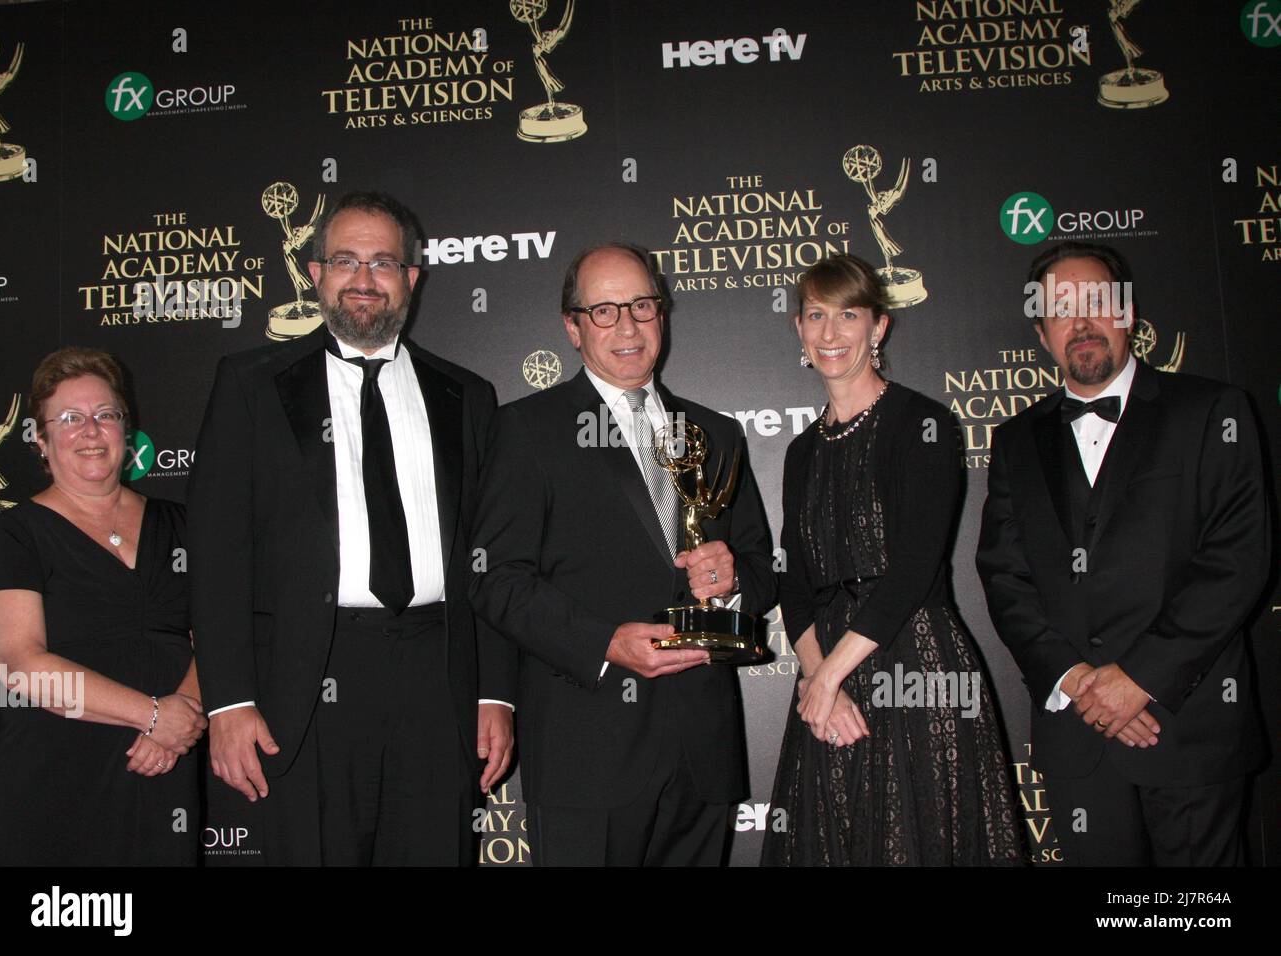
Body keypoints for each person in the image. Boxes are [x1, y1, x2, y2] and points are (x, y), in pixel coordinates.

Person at [188, 191, 516, 866]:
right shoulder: (251, 385)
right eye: (345, 261)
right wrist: (227, 702)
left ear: (412, 279)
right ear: (315, 274)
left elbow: (494, 559)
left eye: (383, 263)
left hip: (437, 678)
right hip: (304, 681)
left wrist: (494, 691)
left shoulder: (467, 397)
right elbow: (217, 555)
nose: (364, 279)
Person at [469, 243, 777, 866]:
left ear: (662, 313)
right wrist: (604, 641)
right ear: (572, 327)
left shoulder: (716, 432)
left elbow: (764, 571)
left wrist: (736, 576)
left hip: (703, 750)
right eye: (604, 311)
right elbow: (496, 580)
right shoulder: (527, 429)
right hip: (588, 751)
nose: (629, 326)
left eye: (641, 305)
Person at [977, 241, 1270, 866]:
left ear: (1128, 313)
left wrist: (1139, 681)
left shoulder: (1212, 412)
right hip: (1077, 736)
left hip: (1184, 723)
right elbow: (1005, 576)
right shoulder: (1015, 441)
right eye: (1060, 308)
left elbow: (1236, 559)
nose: (1080, 322)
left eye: (1096, 302)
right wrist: (1081, 683)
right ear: (1041, 332)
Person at [762, 254, 1022, 866]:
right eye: (816, 315)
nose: (830, 334)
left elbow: (914, 572)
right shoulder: (802, 452)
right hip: (827, 673)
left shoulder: (923, 424)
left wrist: (824, 681)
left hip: (917, 667)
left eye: (848, 314)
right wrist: (816, 676)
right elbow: (793, 581)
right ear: (798, 328)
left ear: (878, 327)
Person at [0, 347, 204, 865]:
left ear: (126, 432)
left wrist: (178, 724)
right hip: (53, 780)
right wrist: (151, 716)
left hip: (160, 775)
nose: (90, 430)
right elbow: (20, 663)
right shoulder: (17, 534)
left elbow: (214, 636)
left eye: (105, 415)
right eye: (70, 419)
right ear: (40, 439)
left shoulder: (180, 525)